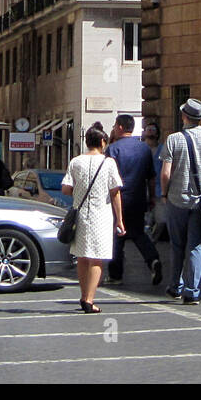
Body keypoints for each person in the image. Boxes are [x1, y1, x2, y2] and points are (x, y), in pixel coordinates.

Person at [159, 98, 201, 304]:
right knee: (195, 246)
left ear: (184, 116)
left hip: (177, 200)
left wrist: (164, 194)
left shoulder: (173, 139)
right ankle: (192, 291)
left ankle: (175, 287)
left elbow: (165, 173)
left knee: (177, 245)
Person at [62, 126, 125, 313]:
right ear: (102, 142)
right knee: (97, 258)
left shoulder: (76, 161)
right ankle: (89, 300)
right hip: (101, 216)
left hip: (80, 215)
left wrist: (79, 193)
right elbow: (115, 192)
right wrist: (119, 220)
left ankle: (83, 296)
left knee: (82, 256)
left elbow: (66, 188)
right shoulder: (108, 163)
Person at [105, 115, 162, 286]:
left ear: (121, 127)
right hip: (138, 198)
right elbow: (151, 177)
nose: (114, 128)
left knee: (117, 237)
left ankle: (115, 275)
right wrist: (151, 197)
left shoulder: (113, 149)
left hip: (118, 199)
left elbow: (107, 177)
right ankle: (153, 260)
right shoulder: (144, 149)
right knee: (139, 234)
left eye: (115, 125)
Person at [144, 122, 168, 241]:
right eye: (148, 129)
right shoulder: (140, 149)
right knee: (145, 220)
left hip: (159, 190)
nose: (150, 131)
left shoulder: (163, 149)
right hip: (142, 190)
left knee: (161, 220)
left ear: (157, 133)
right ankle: (146, 243)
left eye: (153, 129)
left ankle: (152, 240)